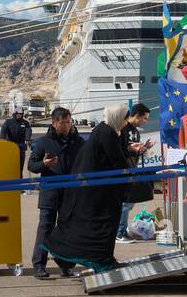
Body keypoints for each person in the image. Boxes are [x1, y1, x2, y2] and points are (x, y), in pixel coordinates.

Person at [43, 104, 133, 271]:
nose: (126, 123)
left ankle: (97, 258)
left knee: (90, 224)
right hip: (96, 191)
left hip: (96, 188)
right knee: (99, 224)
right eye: (125, 119)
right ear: (118, 118)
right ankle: (101, 260)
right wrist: (132, 176)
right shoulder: (106, 132)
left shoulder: (107, 130)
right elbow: (117, 160)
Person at [27, 107, 84, 279]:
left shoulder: (79, 142)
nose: (67, 126)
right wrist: (44, 164)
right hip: (50, 193)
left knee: (67, 230)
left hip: (71, 194)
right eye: (63, 122)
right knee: (45, 228)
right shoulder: (44, 142)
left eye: (69, 122)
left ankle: (66, 265)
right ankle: (39, 265)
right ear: (54, 123)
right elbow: (31, 166)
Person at [116, 103, 154, 242]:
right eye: (145, 118)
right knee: (126, 203)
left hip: (131, 169)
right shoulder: (126, 129)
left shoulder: (134, 131)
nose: (146, 121)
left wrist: (144, 147)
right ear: (137, 116)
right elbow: (122, 149)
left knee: (128, 203)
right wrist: (133, 149)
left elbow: (134, 151)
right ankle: (119, 232)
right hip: (124, 171)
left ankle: (121, 228)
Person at [0, 105, 33, 175]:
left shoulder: (25, 123)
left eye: (21, 114)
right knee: (10, 165)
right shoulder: (8, 122)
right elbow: (3, 131)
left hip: (21, 147)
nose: (19, 115)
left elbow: (28, 130)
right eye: (17, 114)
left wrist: (28, 138)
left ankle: (19, 178)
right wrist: (3, 140)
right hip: (10, 147)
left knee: (20, 165)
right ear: (14, 114)